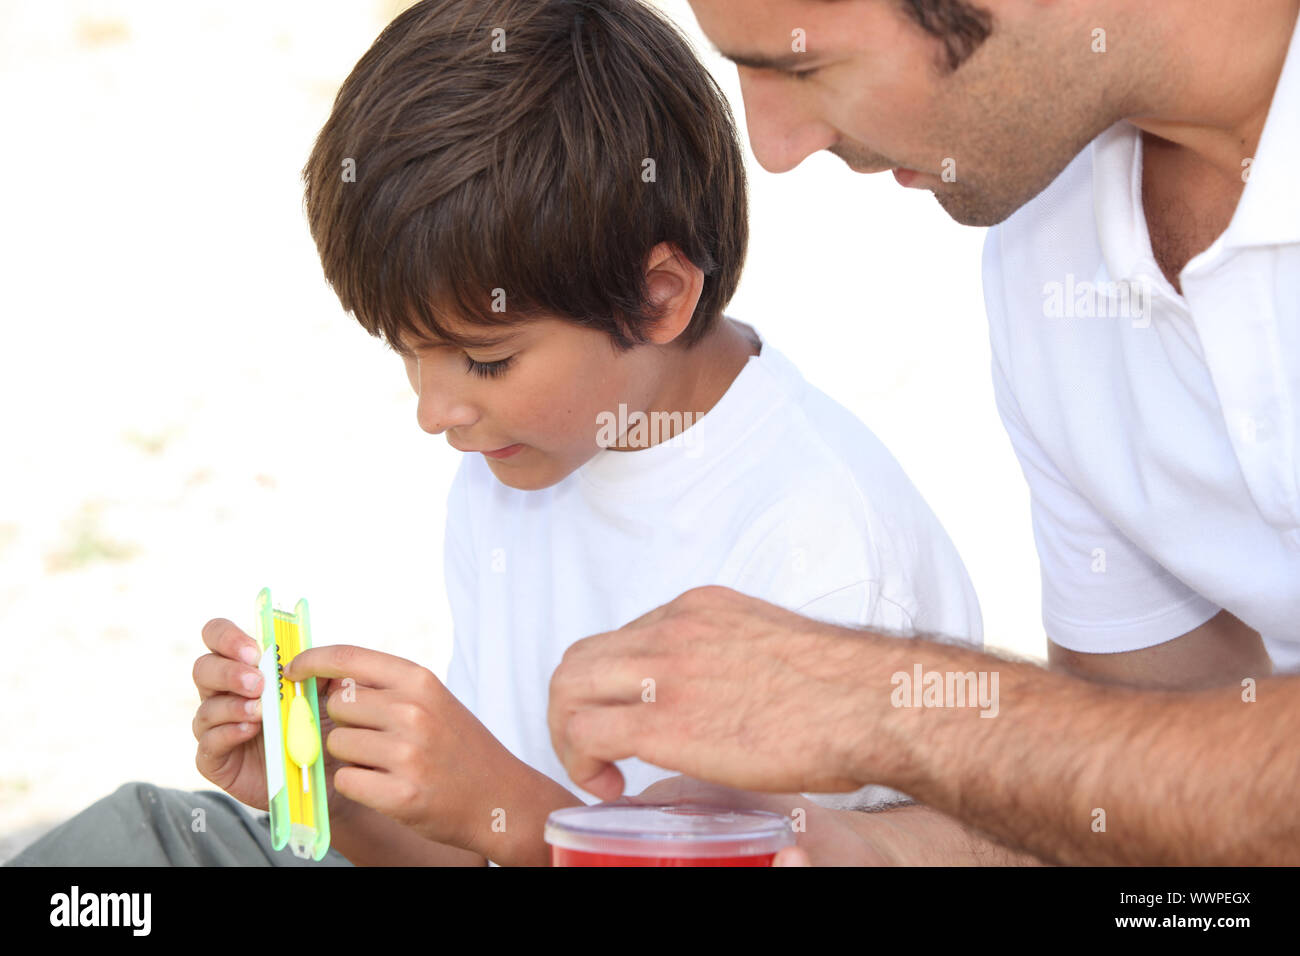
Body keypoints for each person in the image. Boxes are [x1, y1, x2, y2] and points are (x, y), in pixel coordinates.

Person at [6, 0, 992, 867]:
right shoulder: (523, 460)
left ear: (655, 298)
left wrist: (498, 802)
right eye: (409, 354)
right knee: (140, 841)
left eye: (482, 360)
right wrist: (332, 799)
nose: (435, 411)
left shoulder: (817, 540)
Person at [548, 0, 1300, 865]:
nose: (774, 147)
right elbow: (1155, 828)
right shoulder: (1048, 254)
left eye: (800, 65)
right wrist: (853, 851)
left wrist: (891, 707)